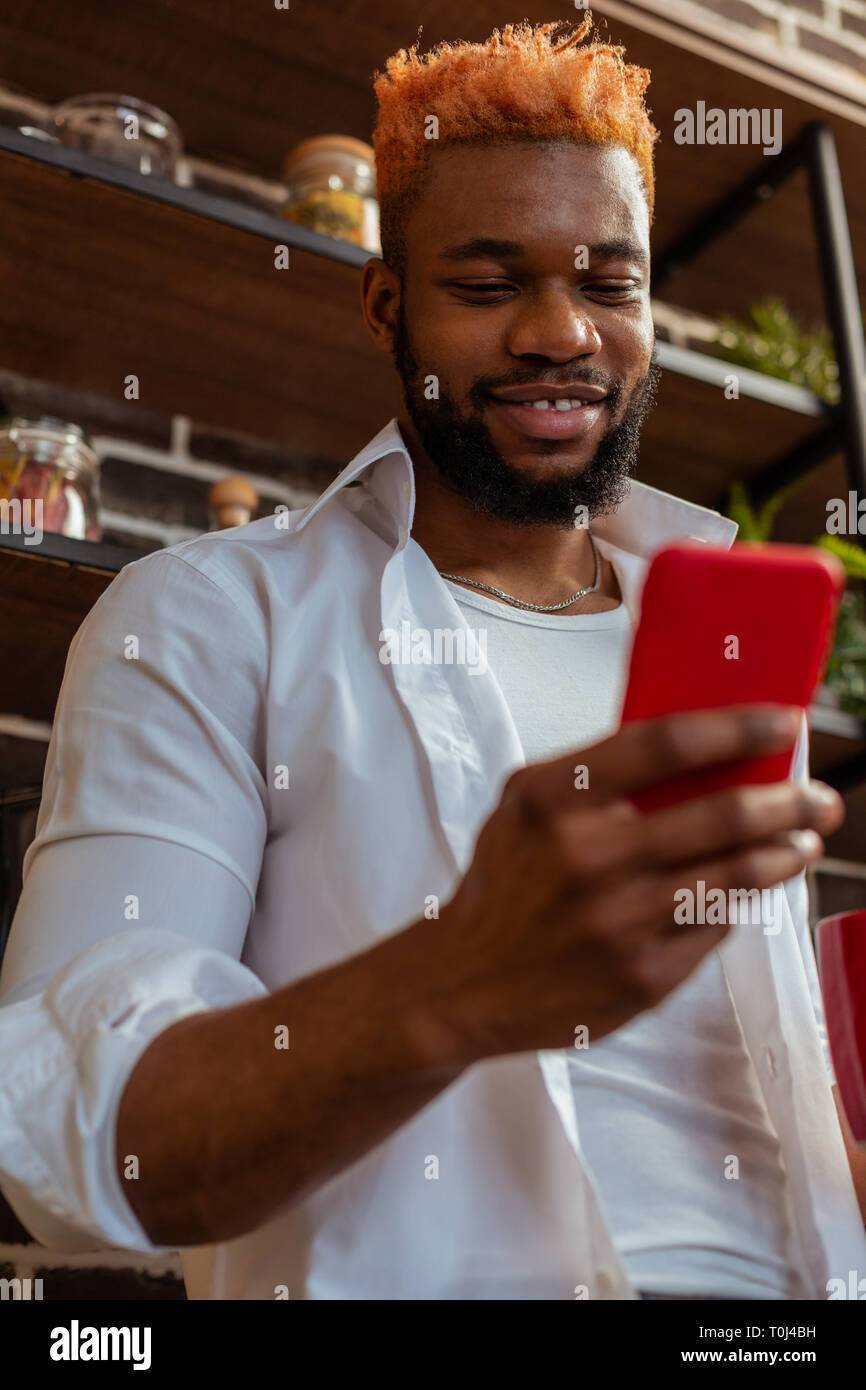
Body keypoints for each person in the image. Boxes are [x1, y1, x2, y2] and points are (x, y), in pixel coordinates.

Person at [1, 17, 864, 1301]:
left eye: (607, 282)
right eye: (487, 281)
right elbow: (77, 1132)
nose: (557, 332)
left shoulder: (723, 647)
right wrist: (462, 974)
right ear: (384, 302)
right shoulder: (203, 618)